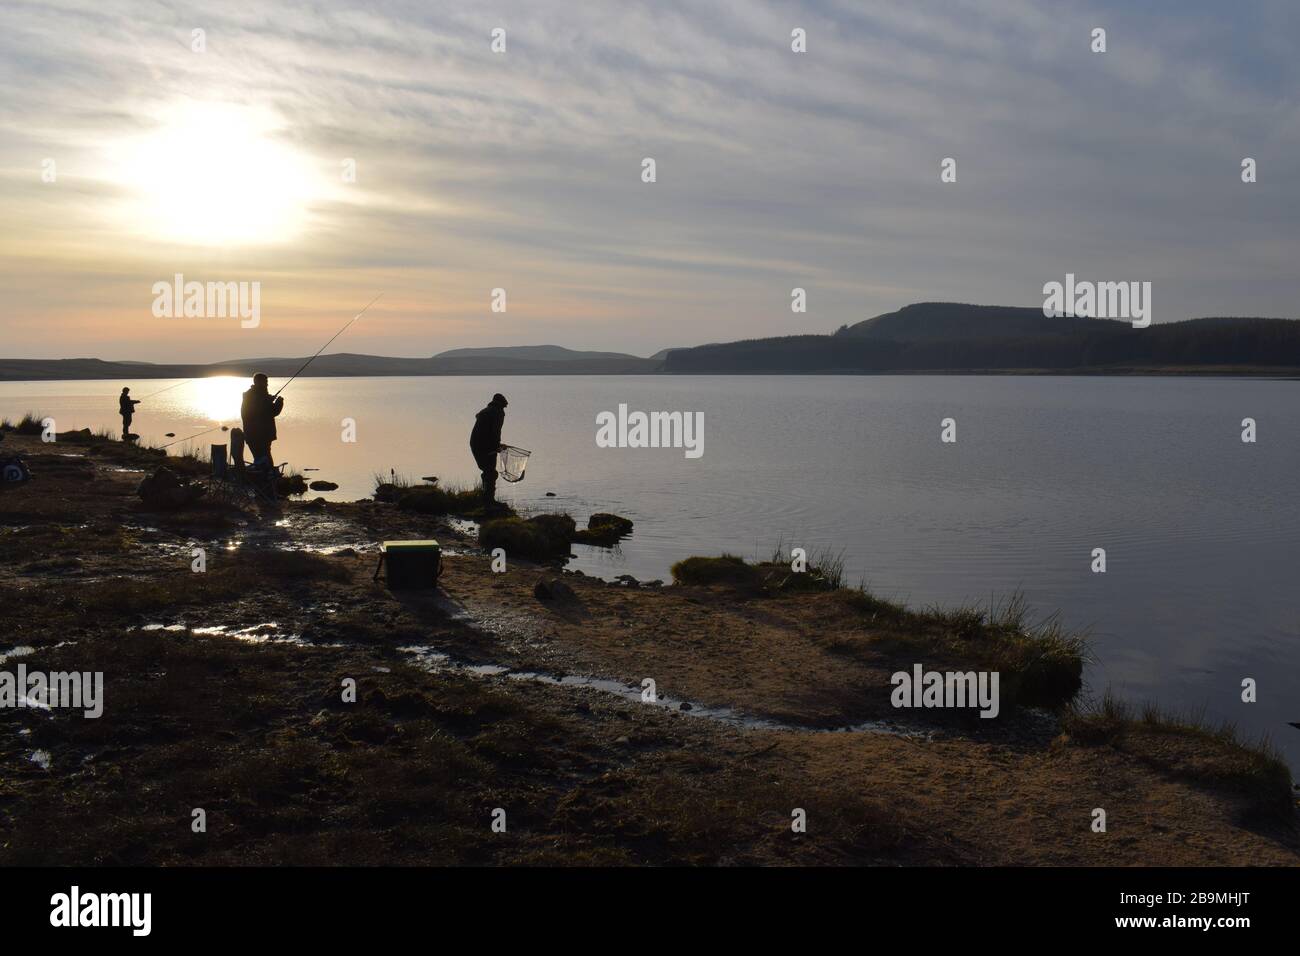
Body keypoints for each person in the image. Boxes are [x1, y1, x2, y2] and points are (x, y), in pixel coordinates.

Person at [470, 393, 508, 505]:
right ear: (502, 405)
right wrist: (497, 446)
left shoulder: (486, 411)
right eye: (504, 406)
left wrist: (497, 445)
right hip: (484, 446)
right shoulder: (498, 413)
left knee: (487, 471)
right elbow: (495, 431)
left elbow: (489, 432)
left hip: (476, 444)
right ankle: (488, 501)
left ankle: (486, 498)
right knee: (490, 472)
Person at [240, 373, 284, 469]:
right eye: (266, 382)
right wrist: (279, 402)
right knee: (265, 458)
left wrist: (269, 399)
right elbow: (272, 412)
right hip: (261, 434)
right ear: (260, 382)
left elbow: (261, 409)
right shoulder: (260, 396)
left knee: (259, 458)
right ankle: (267, 479)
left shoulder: (251, 395)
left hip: (251, 434)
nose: (267, 384)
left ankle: (262, 478)